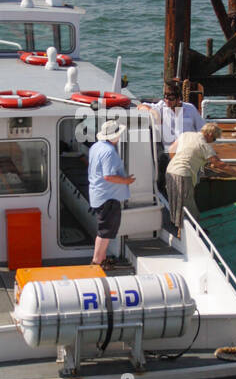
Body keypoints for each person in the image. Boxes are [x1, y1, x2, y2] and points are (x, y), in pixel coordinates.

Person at [86, 119, 135, 267]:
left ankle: (101, 258)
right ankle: (96, 261)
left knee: (105, 230)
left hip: (99, 195)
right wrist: (126, 181)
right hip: (108, 198)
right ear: (114, 136)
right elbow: (108, 176)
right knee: (105, 232)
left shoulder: (95, 147)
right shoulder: (109, 151)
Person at [138, 81, 203, 189]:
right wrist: (153, 112)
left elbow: (201, 129)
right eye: (165, 98)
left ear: (178, 99)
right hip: (169, 152)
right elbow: (141, 106)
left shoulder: (190, 109)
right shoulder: (161, 107)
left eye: (171, 99)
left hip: (186, 152)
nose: (167, 101)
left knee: (188, 182)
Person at [166, 122, 229, 233]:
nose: (213, 142)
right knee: (188, 206)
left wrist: (177, 162)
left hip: (170, 171)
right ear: (209, 134)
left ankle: (180, 229)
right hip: (183, 174)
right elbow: (220, 164)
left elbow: (171, 149)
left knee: (175, 202)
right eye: (214, 139)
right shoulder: (204, 145)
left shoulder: (186, 135)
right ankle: (190, 232)